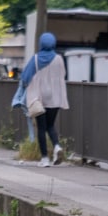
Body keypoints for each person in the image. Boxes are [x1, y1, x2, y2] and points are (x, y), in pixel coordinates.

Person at [13, 31, 69, 167]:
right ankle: (56, 146)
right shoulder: (59, 59)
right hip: (55, 97)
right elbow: (63, 74)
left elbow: (25, 77)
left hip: (39, 97)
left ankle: (44, 158)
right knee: (50, 125)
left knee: (41, 128)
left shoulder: (36, 59)